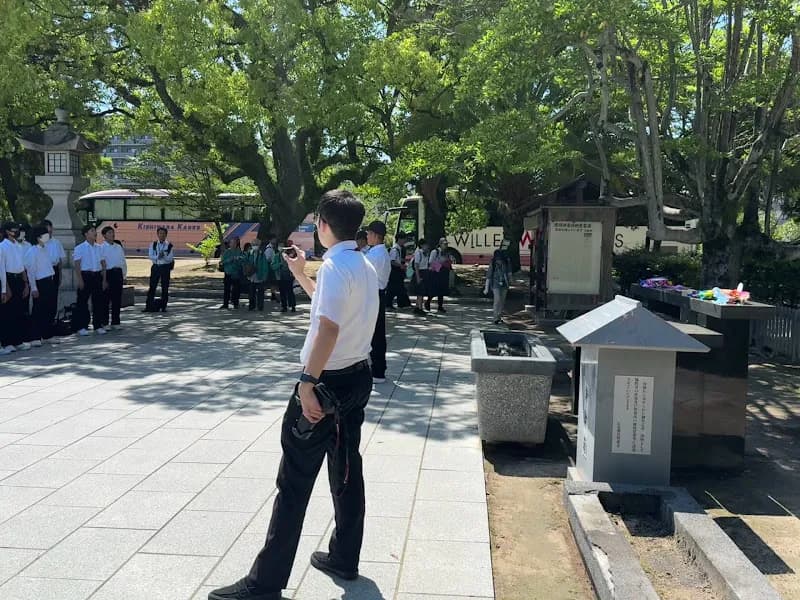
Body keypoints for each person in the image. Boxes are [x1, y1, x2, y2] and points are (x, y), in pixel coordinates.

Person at [209, 190, 379, 600]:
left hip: (326, 382)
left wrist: (306, 383)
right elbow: (329, 306)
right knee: (345, 468)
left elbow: (327, 328)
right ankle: (345, 555)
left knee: (295, 479)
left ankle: (265, 581)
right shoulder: (362, 264)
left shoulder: (339, 267)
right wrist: (302, 272)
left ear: (322, 224)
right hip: (357, 376)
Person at [24, 225, 59, 346]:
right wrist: (33, 287)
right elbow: (31, 271)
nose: (47, 236)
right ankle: (35, 336)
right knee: (38, 310)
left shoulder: (46, 249)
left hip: (49, 280)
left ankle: (47, 334)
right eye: (44, 234)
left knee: (49, 309)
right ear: (38, 237)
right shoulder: (32, 251)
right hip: (40, 283)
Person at [365, 221, 391, 383]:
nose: (367, 237)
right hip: (377, 294)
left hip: (374, 295)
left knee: (375, 334)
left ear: (375, 235)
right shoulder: (379, 253)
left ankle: (377, 370)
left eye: (368, 234)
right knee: (376, 333)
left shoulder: (375, 255)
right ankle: (377, 368)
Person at [0, 222, 31, 353]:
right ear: (7, 231)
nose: (17, 231)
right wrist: (5, 288)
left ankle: (17, 340)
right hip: (8, 279)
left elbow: (22, 266)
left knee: (18, 311)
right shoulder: (2, 246)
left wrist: (26, 284)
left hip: (19, 279)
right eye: (14, 230)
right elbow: (1, 268)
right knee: (7, 313)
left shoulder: (18, 246)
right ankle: (6, 342)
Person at [73, 224, 107, 336]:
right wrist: (80, 280)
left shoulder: (99, 247)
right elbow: (77, 265)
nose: (95, 233)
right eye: (92, 231)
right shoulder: (80, 248)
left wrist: (104, 279)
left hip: (97, 275)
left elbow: (103, 264)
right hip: (86, 275)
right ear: (86, 234)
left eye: (95, 231)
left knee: (98, 302)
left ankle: (98, 325)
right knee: (82, 302)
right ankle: (82, 326)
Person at [101, 226, 127, 330]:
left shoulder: (118, 247)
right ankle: (105, 322)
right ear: (104, 235)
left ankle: (116, 321)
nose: (112, 235)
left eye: (113, 232)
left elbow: (123, 262)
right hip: (108, 273)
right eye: (109, 233)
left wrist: (124, 275)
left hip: (118, 273)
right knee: (106, 300)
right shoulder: (101, 248)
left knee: (117, 299)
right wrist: (104, 279)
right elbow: (101, 264)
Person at [144, 227, 174, 312]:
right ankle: (148, 306)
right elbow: (150, 256)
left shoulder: (169, 245)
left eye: (163, 234)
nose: (162, 235)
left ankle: (163, 306)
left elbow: (170, 258)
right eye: (160, 233)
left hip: (165, 267)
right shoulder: (153, 244)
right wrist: (157, 257)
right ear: (157, 234)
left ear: (166, 235)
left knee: (165, 287)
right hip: (156, 267)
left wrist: (164, 256)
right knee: (152, 286)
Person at [484, 248, 513, 324]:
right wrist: (486, 288)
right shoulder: (493, 263)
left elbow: (509, 273)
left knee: (502, 301)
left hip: (504, 284)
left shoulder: (507, 262)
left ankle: (499, 316)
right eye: (497, 259)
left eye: (500, 259)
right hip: (495, 284)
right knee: (497, 299)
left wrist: (510, 281)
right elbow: (488, 276)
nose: (498, 261)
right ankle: (495, 317)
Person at [386, 231, 411, 310]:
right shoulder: (395, 249)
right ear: (399, 239)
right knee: (393, 288)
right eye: (404, 239)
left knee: (397, 288)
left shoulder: (399, 249)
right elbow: (392, 261)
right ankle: (390, 304)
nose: (405, 241)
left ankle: (402, 303)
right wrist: (400, 265)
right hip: (395, 271)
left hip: (398, 270)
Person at [426, 236, 450, 313]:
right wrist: (440, 265)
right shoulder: (435, 252)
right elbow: (430, 262)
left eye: (446, 244)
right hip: (436, 273)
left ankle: (440, 306)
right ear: (440, 244)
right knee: (434, 290)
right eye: (444, 244)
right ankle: (428, 302)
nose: (446, 246)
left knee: (442, 290)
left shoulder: (446, 253)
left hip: (443, 273)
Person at [43, 219, 66, 295]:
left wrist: (60, 275)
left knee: (54, 295)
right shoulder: (39, 243)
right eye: (47, 230)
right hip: (43, 270)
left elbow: (60, 260)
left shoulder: (57, 243)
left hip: (55, 270)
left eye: (50, 230)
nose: (49, 232)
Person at [220, 236, 244, 309]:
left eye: (234, 243)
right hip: (228, 273)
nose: (232, 244)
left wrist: (238, 260)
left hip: (236, 273)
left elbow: (242, 262)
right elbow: (222, 262)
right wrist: (230, 259)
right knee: (227, 289)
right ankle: (225, 304)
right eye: (231, 243)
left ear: (237, 243)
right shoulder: (227, 252)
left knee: (236, 289)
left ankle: (235, 303)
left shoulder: (239, 252)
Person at [247, 239, 270, 311]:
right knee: (251, 292)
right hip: (251, 276)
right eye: (253, 244)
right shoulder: (249, 253)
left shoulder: (262, 254)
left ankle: (260, 306)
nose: (255, 246)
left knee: (260, 292)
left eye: (256, 244)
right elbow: (246, 263)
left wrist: (264, 276)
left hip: (260, 276)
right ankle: (251, 306)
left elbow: (265, 266)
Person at [411, 238, 431, 316]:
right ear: (422, 245)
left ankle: (417, 307)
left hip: (425, 272)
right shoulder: (418, 253)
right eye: (426, 245)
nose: (427, 246)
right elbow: (416, 265)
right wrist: (418, 277)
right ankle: (420, 308)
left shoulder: (426, 253)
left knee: (421, 292)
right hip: (420, 272)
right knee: (420, 292)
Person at [277, 239, 297, 313]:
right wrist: (279, 265)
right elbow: (274, 264)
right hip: (281, 276)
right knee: (282, 292)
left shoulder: (291, 254)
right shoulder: (278, 255)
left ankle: (292, 306)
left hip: (289, 276)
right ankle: (284, 306)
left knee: (290, 292)